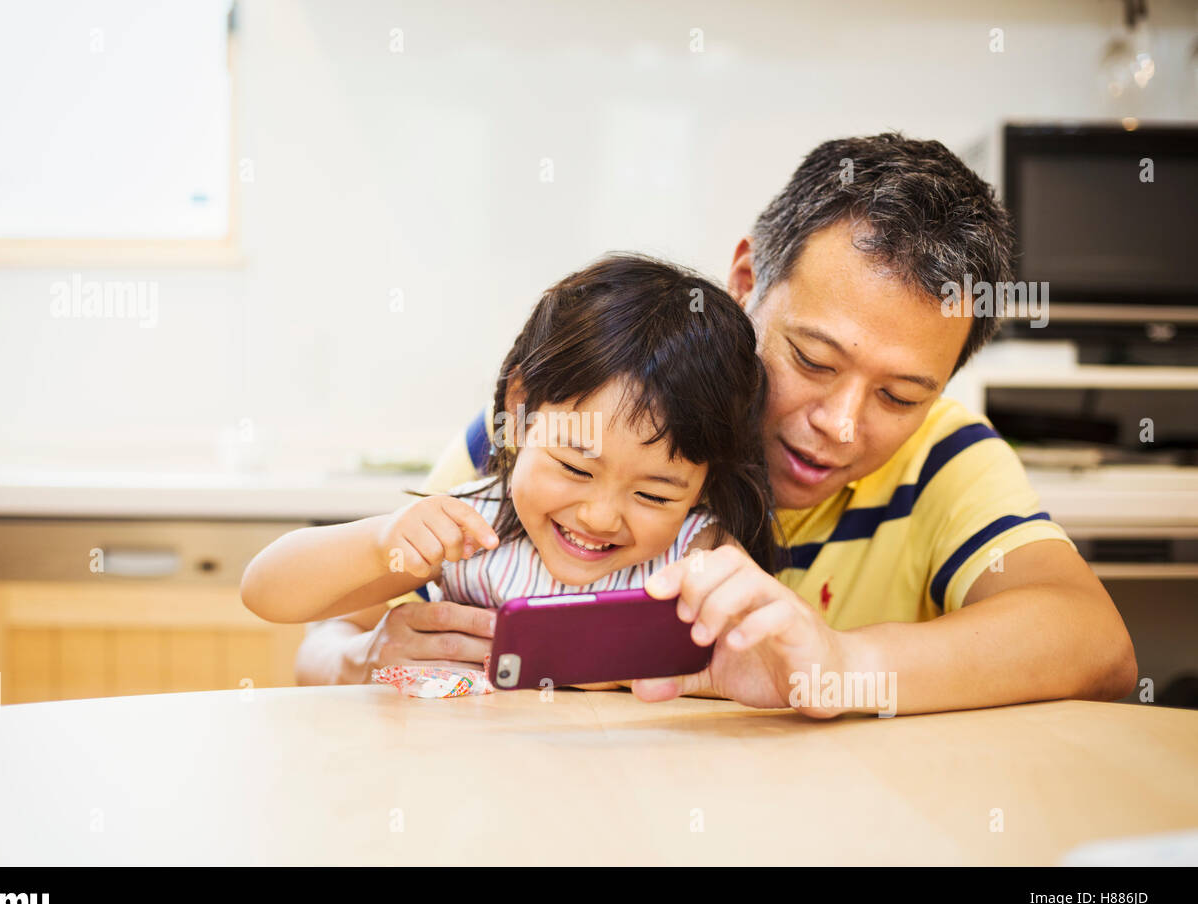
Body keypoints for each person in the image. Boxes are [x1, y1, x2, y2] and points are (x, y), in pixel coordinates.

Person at [296, 132, 1137, 718]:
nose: (840, 425)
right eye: (812, 360)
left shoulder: (943, 454)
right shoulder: (572, 439)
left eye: (900, 395)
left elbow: (1095, 647)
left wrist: (838, 666)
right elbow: (318, 642)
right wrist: (364, 659)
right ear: (744, 280)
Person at [242, 255, 777, 646]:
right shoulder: (472, 533)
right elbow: (266, 593)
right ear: (519, 411)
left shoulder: (695, 550)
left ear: (703, 484)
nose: (599, 516)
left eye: (655, 495)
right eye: (574, 467)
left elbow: (763, 663)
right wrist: (381, 541)